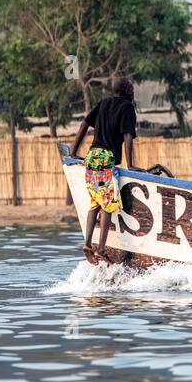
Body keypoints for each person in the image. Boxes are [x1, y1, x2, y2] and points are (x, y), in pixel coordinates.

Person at [68, 77, 138, 264]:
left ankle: (87, 243)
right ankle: (100, 250)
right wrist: (130, 165)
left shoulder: (104, 103)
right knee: (108, 206)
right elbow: (128, 136)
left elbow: (84, 124)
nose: (133, 91)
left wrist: (73, 151)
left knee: (95, 203)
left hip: (92, 157)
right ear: (125, 91)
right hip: (107, 160)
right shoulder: (127, 108)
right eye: (131, 88)